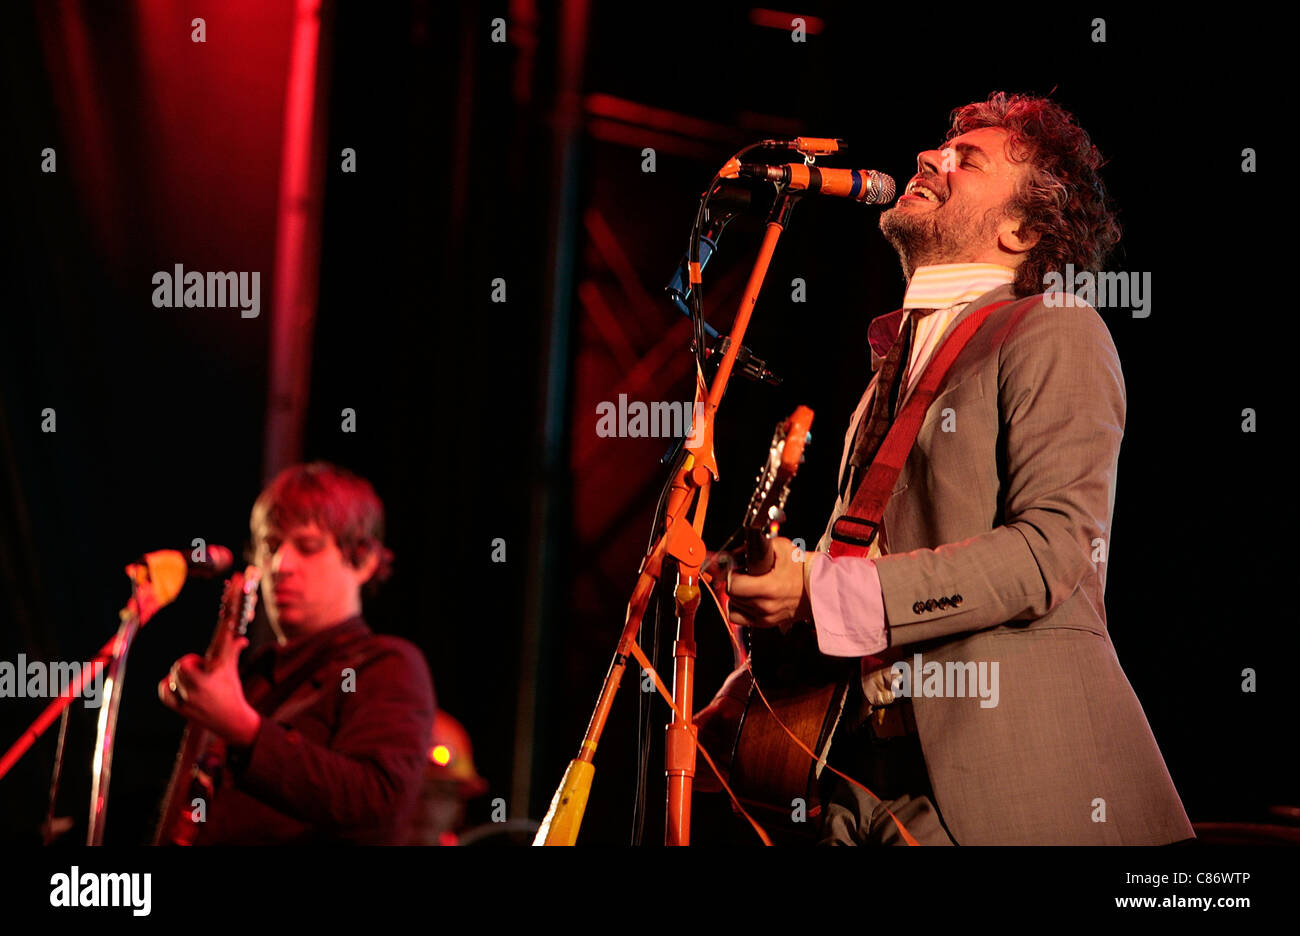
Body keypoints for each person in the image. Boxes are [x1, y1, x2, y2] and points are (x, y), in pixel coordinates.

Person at [726, 92, 1193, 845]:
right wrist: (765, 671)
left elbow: (1049, 554)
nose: (927, 159)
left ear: (1022, 229)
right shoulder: (898, 363)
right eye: (940, 148)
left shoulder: (1057, 327)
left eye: (965, 160)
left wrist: (815, 588)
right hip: (859, 780)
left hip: (1009, 790)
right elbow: (866, 563)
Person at [156, 462, 436, 844]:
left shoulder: (387, 665)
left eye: (307, 546)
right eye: (270, 546)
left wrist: (242, 727)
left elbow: (378, 800)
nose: (280, 565)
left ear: (364, 559)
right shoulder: (257, 675)